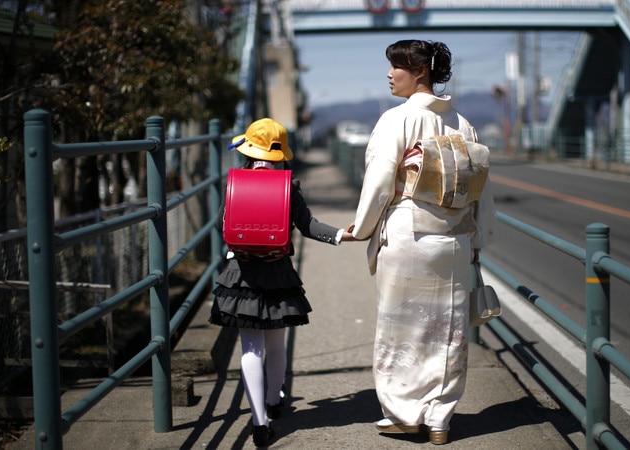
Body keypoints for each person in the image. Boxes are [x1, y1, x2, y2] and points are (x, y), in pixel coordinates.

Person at [348, 40, 497, 445]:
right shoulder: (463, 124)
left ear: (418, 71)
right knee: (447, 329)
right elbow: (481, 185)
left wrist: (361, 228)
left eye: (396, 66)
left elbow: (380, 183)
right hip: (455, 238)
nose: (389, 74)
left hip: (409, 233)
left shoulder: (397, 120)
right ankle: (440, 419)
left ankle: (404, 415)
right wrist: (478, 236)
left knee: (401, 328)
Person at [209, 118, 353, 447]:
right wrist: (341, 235)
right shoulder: (289, 186)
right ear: (280, 154)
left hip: (241, 276)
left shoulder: (236, 182)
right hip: (278, 275)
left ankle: (259, 422)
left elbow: (221, 225)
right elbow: (308, 226)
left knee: (250, 349)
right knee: (275, 345)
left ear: (248, 150)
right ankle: (274, 401)